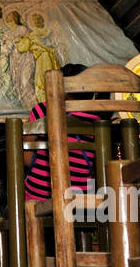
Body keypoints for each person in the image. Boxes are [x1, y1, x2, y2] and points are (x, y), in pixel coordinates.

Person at [24, 64, 99, 201]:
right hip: (81, 196)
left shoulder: (42, 111)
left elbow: (25, 155)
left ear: (60, 87)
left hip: (40, 193)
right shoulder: (96, 119)